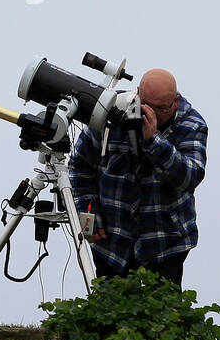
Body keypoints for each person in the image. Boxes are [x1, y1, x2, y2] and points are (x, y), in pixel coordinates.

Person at [69, 68, 207, 286]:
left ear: (175, 102)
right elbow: (80, 166)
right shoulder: (111, 111)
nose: (148, 113)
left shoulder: (191, 124)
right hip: (113, 240)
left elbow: (190, 176)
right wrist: (88, 213)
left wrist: (154, 141)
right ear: (138, 93)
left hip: (163, 242)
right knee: (108, 312)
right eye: (145, 104)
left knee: (163, 315)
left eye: (159, 109)